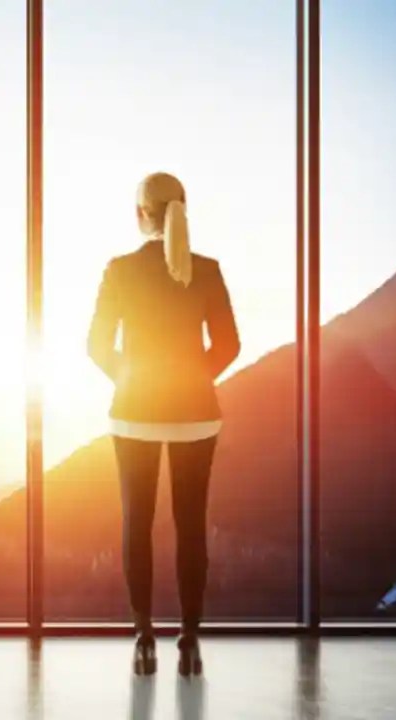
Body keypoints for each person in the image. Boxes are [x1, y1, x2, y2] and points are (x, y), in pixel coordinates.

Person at [87, 171, 240, 677]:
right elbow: (228, 345)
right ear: (182, 212)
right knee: (191, 525)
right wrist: (193, 379)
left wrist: (130, 380)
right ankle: (190, 641)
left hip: (133, 415)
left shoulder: (119, 270)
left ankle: (143, 638)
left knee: (137, 522)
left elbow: (95, 345)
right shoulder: (208, 270)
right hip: (197, 416)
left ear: (140, 215)